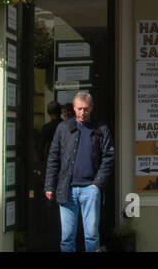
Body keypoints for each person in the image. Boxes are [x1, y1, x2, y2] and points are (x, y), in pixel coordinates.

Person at [44, 90, 115, 252]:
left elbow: (108, 157)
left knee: (91, 235)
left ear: (91, 108)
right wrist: (49, 185)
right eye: (79, 108)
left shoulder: (101, 129)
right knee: (67, 237)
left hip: (90, 189)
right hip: (67, 189)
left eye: (86, 109)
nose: (83, 112)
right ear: (74, 109)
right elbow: (53, 157)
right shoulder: (63, 128)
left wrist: (97, 184)